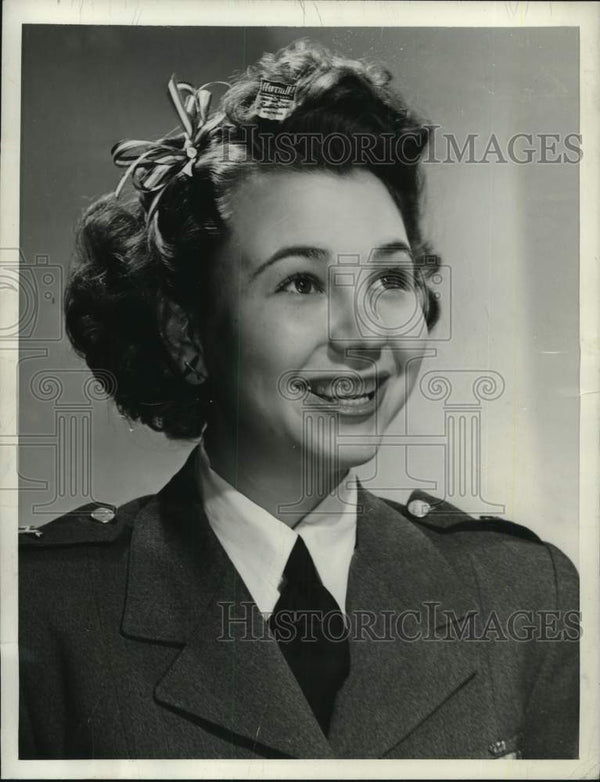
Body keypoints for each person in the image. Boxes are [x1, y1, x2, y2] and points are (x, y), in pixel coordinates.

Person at [19, 39, 579, 760]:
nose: (362, 335)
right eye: (301, 284)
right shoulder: (44, 618)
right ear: (186, 333)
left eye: (389, 280)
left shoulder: (524, 599)